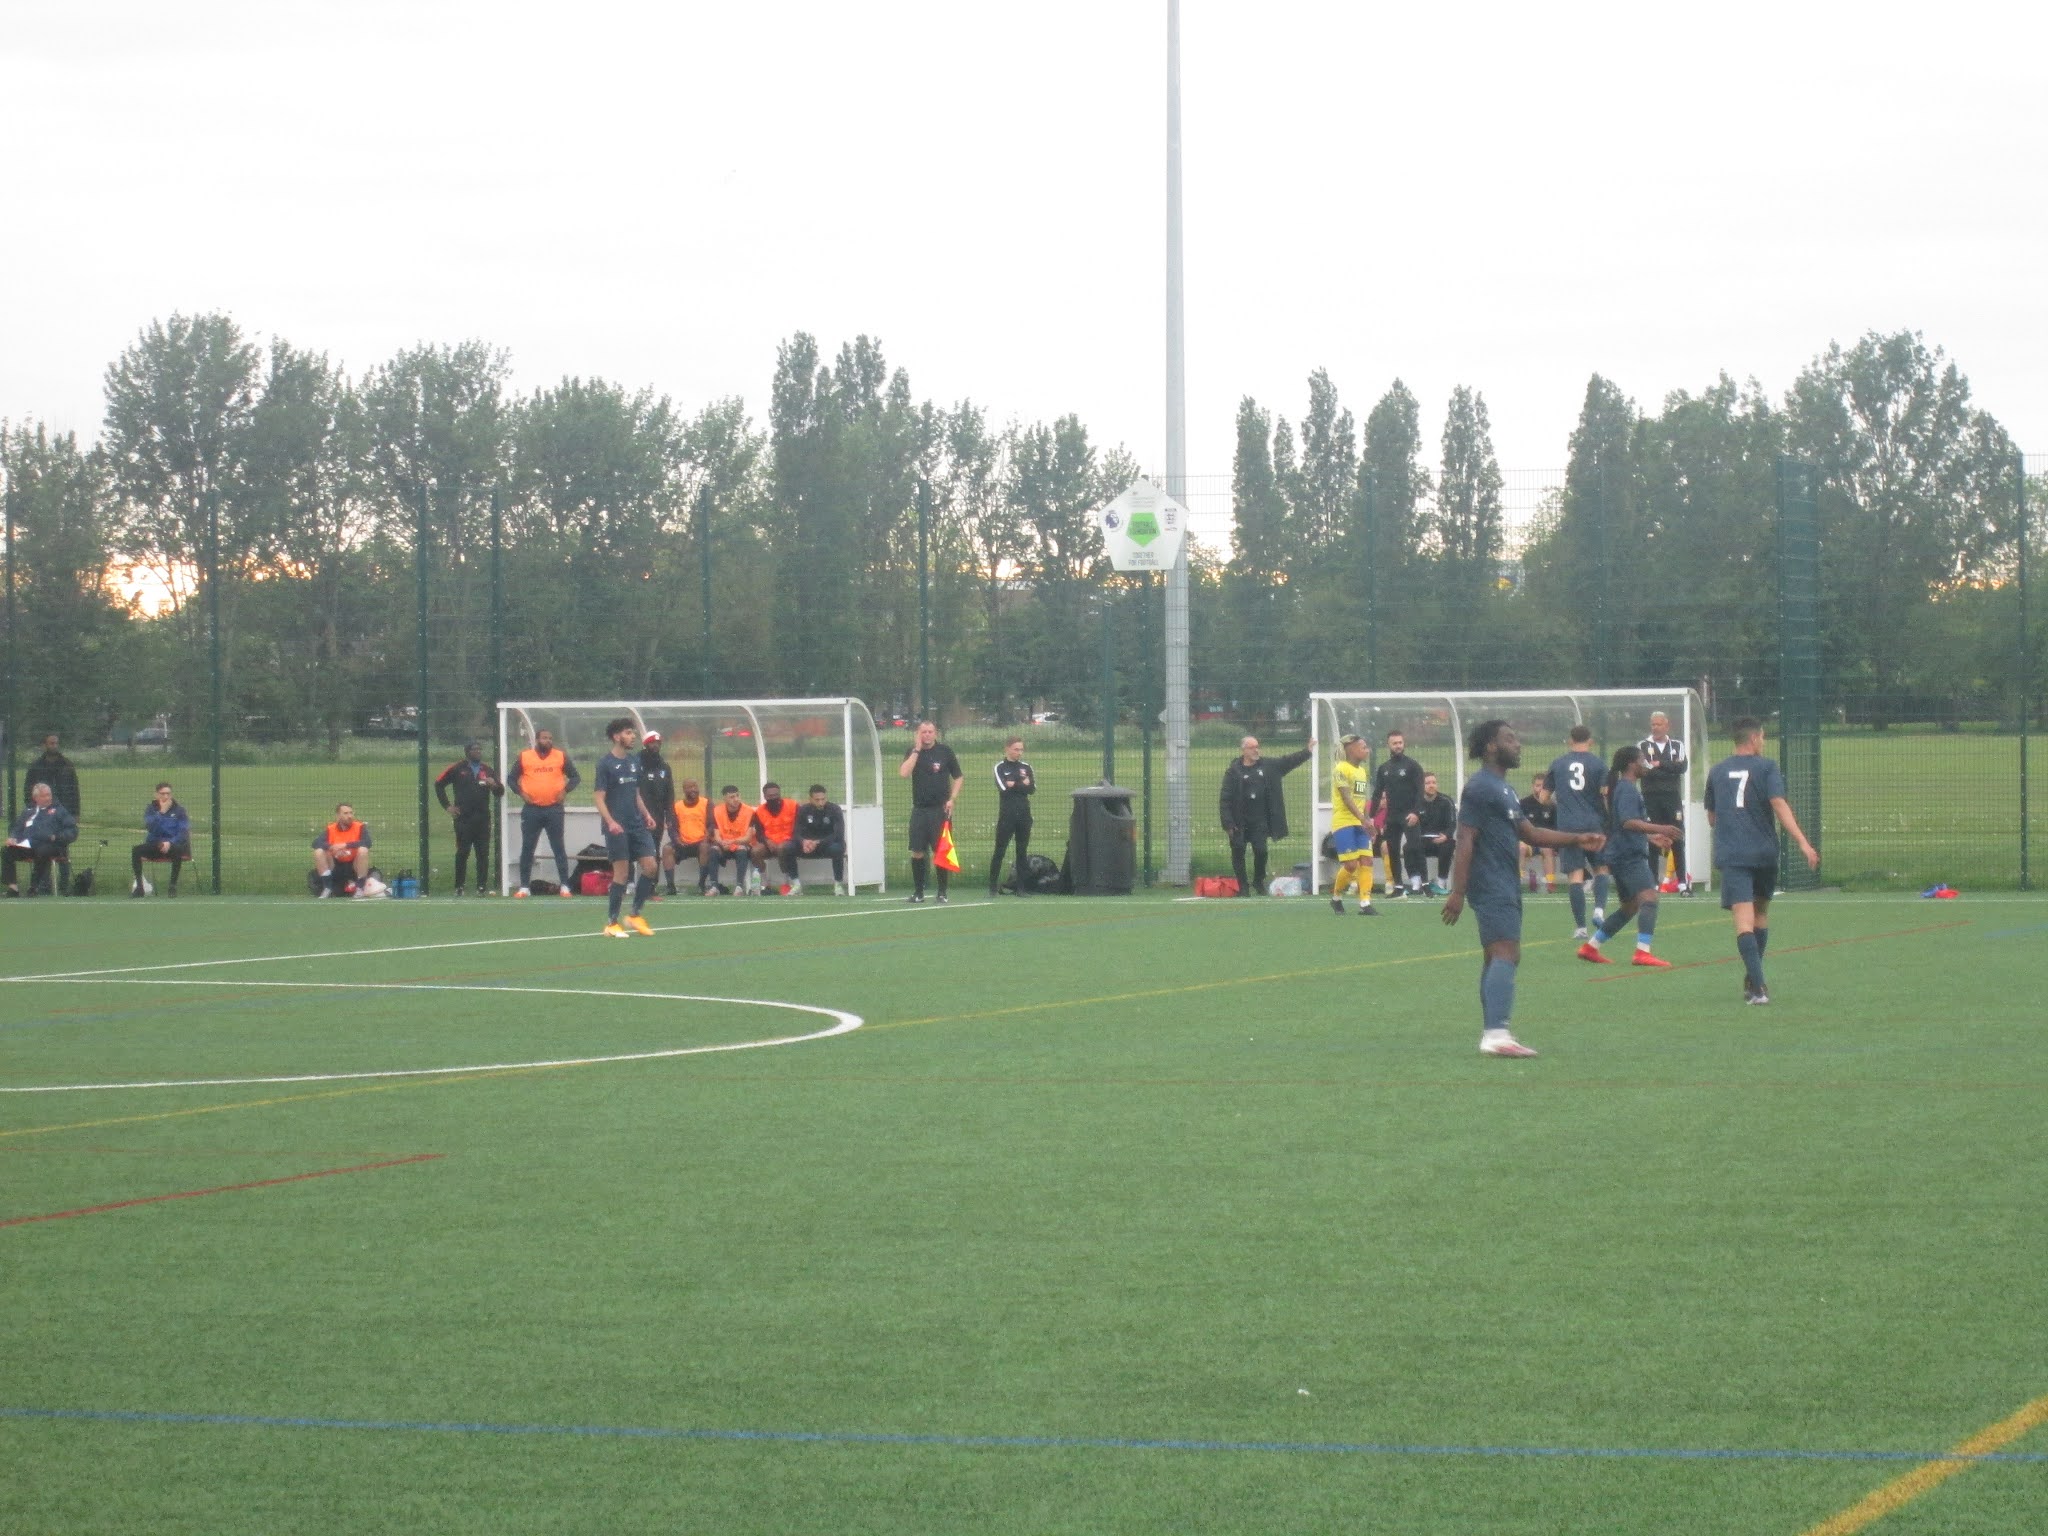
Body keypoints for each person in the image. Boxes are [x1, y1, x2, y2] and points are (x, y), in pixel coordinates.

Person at [1441, 720, 1605, 1057]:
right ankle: (1496, 1034)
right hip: (1490, 882)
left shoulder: (1502, 788)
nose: (1518, 744)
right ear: (1490, 746)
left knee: (1496, 955)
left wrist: (1577, 837)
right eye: (1510, 738)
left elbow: (1530, 833)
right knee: (1506, 953)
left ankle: (1494, 1031)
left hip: (1503, 880)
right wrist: (1457, 892)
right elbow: (1465, 839)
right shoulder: (1480, 787)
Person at [1704, 717, 1819, 1005]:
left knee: (1743, 922)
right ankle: (1755, 980)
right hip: (1764, 852)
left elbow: (1712, 817)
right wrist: (1803, 842)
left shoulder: (1717, 771)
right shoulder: (1767, 767)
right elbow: (1779, 805)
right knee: (1761, 914)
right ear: (1755, 738)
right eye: (1763, 737)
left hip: (1733, 854)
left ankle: (1757, 986)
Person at [1576, 746, 1681, 968]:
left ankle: (1590, 947)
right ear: (1632, 764)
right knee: (1649, 898)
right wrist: (1660, 828)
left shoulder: (1625, 788)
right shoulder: (1627, 789)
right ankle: (1643, 953)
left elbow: (1624, 826)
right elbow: (1627, 821)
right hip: (1628, 856)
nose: (1645, 763)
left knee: (1630, 906)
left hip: (1621, 853)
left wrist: (1651, 837)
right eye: (1642, 759)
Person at [1219, 734, 1313, 896]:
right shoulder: (1234, 771)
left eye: (1257, 746)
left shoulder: (1268, 766)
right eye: (1252, 747)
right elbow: (1225, 798)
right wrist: (1227, 822)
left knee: (1261, 851)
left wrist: (1307, 751)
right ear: (1244, 750)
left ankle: (1258, 880)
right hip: (1239, 820)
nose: (1256, 750)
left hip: (1259, 820)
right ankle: (1243, 886)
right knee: (1238, 850)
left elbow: (1287, 761)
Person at [593, 716, 660, 937]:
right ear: (616, 736)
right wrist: (610, 822)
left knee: (650, 867)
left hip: (637, 825)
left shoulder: (634, 762)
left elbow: (636, 794)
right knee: (621, 874)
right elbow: (599, 798)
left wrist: (647, 814)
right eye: (628, 733)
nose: (633, 737)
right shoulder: (605, 764)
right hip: (617, 828)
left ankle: (634, 914)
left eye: (633, 733)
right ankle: (611, 923)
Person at [1549, 725, 1610, 939]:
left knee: (1575, 876)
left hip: (1568, 828)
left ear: (1569, 740)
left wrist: (1564, 802)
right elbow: (1605, 794)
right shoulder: (1599, 764)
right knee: (1602, 868)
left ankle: (1581, 928)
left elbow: (1543, 798)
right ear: (1590, 741)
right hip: (1594, 824)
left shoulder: (1558, 764)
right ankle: (1600, 910)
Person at [509, 727, 580, 897]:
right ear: (537, 740)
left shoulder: (560, 756)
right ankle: (524, 887)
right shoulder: (525, 757)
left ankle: (564, 885)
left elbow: (575, 777)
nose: (548, 741)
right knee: (528, 847)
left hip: (554, 809)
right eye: (544, 738)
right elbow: (511, 778)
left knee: (558, 847)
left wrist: (565, 791)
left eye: (550, 738)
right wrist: (521, 793)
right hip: (532, 809)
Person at [898, 720, 962, 903]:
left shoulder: (945, 752)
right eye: (923, 732)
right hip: (920, 810)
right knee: (917, 851)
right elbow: (903, 773)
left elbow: (958, 777)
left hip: (940, 810)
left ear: (936, 733)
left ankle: (942, 892)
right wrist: (916, 751)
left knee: (941, 851)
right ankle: (918, 893)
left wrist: (952, 799)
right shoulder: (913, 752)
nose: (927, 735)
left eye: (930, 731)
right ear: (918, 734)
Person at [435, 739, 504, 896]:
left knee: (483, 853)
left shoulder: (487, 770)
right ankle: (459, 886)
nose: (478, 752)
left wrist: (494, 785)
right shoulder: (457, 768)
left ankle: (481, 887)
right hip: (463, 818)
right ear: (467, 752)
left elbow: (500, 792)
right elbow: (438, 784)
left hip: (482, 818)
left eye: (479, 749)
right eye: (474, 749)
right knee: (462, 852)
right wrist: (447, 806)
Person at [1369, 729, 1429, 897]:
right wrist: (1372, 817)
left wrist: (1416, 813)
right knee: (1392, 850)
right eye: (1394, 743)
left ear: (1404, 744)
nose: (1398, 746)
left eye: (1400, 743)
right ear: (1388, 745)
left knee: (1416, 847)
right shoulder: (1384, 769)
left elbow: (1419, 791)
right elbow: (1376, 793)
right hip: (1392, 816)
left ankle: (1425, 884)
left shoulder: (1412, 766)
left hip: (1409, 815)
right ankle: (1398, 886)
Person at [1637, 711, 1691, 894]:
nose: (1655, 727)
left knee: (1677, 837)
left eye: (1659, 724)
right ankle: (1653, 882)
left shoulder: (1677, 745)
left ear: (1667, 726)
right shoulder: (1643, 745)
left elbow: (1682, 767)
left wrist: (1660, 764)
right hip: (1651, 797)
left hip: (1672, 797)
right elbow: (1645, 770)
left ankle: (1682, 882)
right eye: (1653, 724)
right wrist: (1669, 766)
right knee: (1653, 839)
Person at [1326, 732, 1379, 916]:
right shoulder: (1340, 768)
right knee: (1350, 865)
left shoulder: (1362, 771)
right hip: (1344, 822)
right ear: (1351, 750)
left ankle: (1365, 903)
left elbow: (1361, 799)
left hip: (1360, 823)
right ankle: (1336, 897)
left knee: (1367, 860)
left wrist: (1367, 820)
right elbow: (1347, 798)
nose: (1367, 750)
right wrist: (1363, 820)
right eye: (1364, 747)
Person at [23, 733, 81, 894]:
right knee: (42, 846)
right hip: (42, 813)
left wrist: (76, 812)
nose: (54, 746)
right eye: (51, 743)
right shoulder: (36, 766)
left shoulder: (67, 765)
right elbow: (28, 790)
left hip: (64, 811)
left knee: (63, 846)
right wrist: (31, 808)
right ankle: (44, 884)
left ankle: (64, 884)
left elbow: (74, 790)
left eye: (56, 743)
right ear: (44, 745)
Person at [3, 781, 78, 897]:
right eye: (44, 796)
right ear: (35, 798)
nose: (48, 798)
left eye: (49, 795)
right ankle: (13, 888)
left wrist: (57, 837)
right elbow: (17, 829)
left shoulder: (59, 811)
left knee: (42, 851)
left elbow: (72, 830)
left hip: (52, 845)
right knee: (7, 851)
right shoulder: (28, 811)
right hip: (29, 845)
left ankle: (34, 887)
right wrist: (13, 838)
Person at [988, 736, 1036, 896]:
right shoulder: (1000, 767)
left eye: (1021, 749)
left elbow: (1031, 789)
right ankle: (992, 886)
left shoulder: (1026, 767)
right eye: (1016, 749)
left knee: (1022, 851)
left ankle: (1021, 888)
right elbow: (1003, 788)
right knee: (1000, 849)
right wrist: (1021, 783)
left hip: (1024, 814)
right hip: (1007, 815)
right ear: (1007, 749)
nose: (1019, 753)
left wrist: (1014, 783)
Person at [130, 781, 191, 897]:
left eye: (168, 793)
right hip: (155, 845)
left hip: (172, 846)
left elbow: (183, 832)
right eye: (162, 794)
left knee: (178, 849)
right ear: (156, 795)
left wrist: (170, 842)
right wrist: (161, 812)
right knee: (136, 850)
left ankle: (172, 887)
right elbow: (151, 828)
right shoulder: (151, 809)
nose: (166, 796)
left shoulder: (179, 810)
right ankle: (139, 887)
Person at [638, 732, 677, 894]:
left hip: (658, 816)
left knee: (654, 850)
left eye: (658, 743)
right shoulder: (637, 764)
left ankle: (651, 887)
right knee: (636, 850)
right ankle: (630, 884)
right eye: (653, 743)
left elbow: (670, 794)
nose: (656, 746)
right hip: (638, 815)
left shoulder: (664, 767)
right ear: (646, 744)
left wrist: (670, 816)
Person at [795, 784, 849, 894]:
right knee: (788, 848)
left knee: (837, 848)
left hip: (827, 846)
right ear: (810, 799)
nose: (821, 802)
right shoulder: (803, 810)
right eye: (817, 800)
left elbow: (838, 834)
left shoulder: (834, 809)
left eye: (823, 799)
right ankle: (795, 884)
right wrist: (804, 842)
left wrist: (818, 842)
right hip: (808, 847)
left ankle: (838, 884)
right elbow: (796, 832)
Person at [311, 803, 372, 898]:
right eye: (346, 813)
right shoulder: (331, 828)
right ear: (338, 815)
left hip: (353, 864)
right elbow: (315, 843)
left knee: (363, 850)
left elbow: (368, 842)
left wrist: (345, 845)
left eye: (351, 813)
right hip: (336, 864)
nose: (350, 816)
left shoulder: (360, 827)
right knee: (319, 851)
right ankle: (327, 887)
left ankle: (360, 887)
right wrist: (333, 847)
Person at [1409, 772, 1456, 895]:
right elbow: (1409, 822)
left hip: (1441, 839)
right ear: (1421, 786)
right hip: (1422, 841)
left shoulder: (1446, 801)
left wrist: (1446, 835)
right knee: (1408, 847)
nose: (1431, 785)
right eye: (1428, 783)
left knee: (1449, 845)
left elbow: (1452, 823)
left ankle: (1440, 884)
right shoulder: (1415, 802)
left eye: (1434, 783)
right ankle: (1416, 885)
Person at [751, 781, 801, 894]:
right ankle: (764, 883)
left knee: (782, 848)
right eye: (770, 796)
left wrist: (790, 840)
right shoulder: (759, 811)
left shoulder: (792, 806)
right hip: (770, 844)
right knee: (755, 851)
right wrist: (767, 841)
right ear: (765, 796)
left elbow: (799, 827)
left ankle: (786, 882)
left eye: (776, 795)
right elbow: (759, 833)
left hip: (789, 842)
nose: (774, 798)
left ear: (780, 794)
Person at [707, 784, 755, 896]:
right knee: (713, 850)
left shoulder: (749, 811)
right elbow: (716, 834)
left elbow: (748, 837)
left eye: (737, 796)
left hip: (741, 843)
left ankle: (739, 886)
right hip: (723, 844)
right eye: (732, 797)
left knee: (742, 850)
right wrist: (721, 842)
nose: (736, 799)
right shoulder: (717, 811)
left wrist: (733, 842)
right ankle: (714, 886)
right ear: (724, 798)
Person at [667, 777, 711, 896]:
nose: (694, 789)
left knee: (705, 847)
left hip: (700, 842)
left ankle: (701, 885)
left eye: (695, 786)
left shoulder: (706, 803)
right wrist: (677, 840)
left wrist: (706, 838)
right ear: (684, 790)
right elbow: (672, 828)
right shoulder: (677, 806)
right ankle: (670, 887)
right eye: (690, 787)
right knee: (666, 849)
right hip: (682, 843)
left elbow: (712, 825)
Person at [1519, 772, 1559, 893]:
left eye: (1542, 786)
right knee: (1521, 848)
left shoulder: (1552, 806)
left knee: (1547, 850)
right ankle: (1518, 881)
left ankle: (1550, 883)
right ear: (1532, 786)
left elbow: (1556, 828)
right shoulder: (1524, 803)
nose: (1539, 788)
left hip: (1544, 842)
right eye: (1537, 785)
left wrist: (1555, 845)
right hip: (1528, 842)